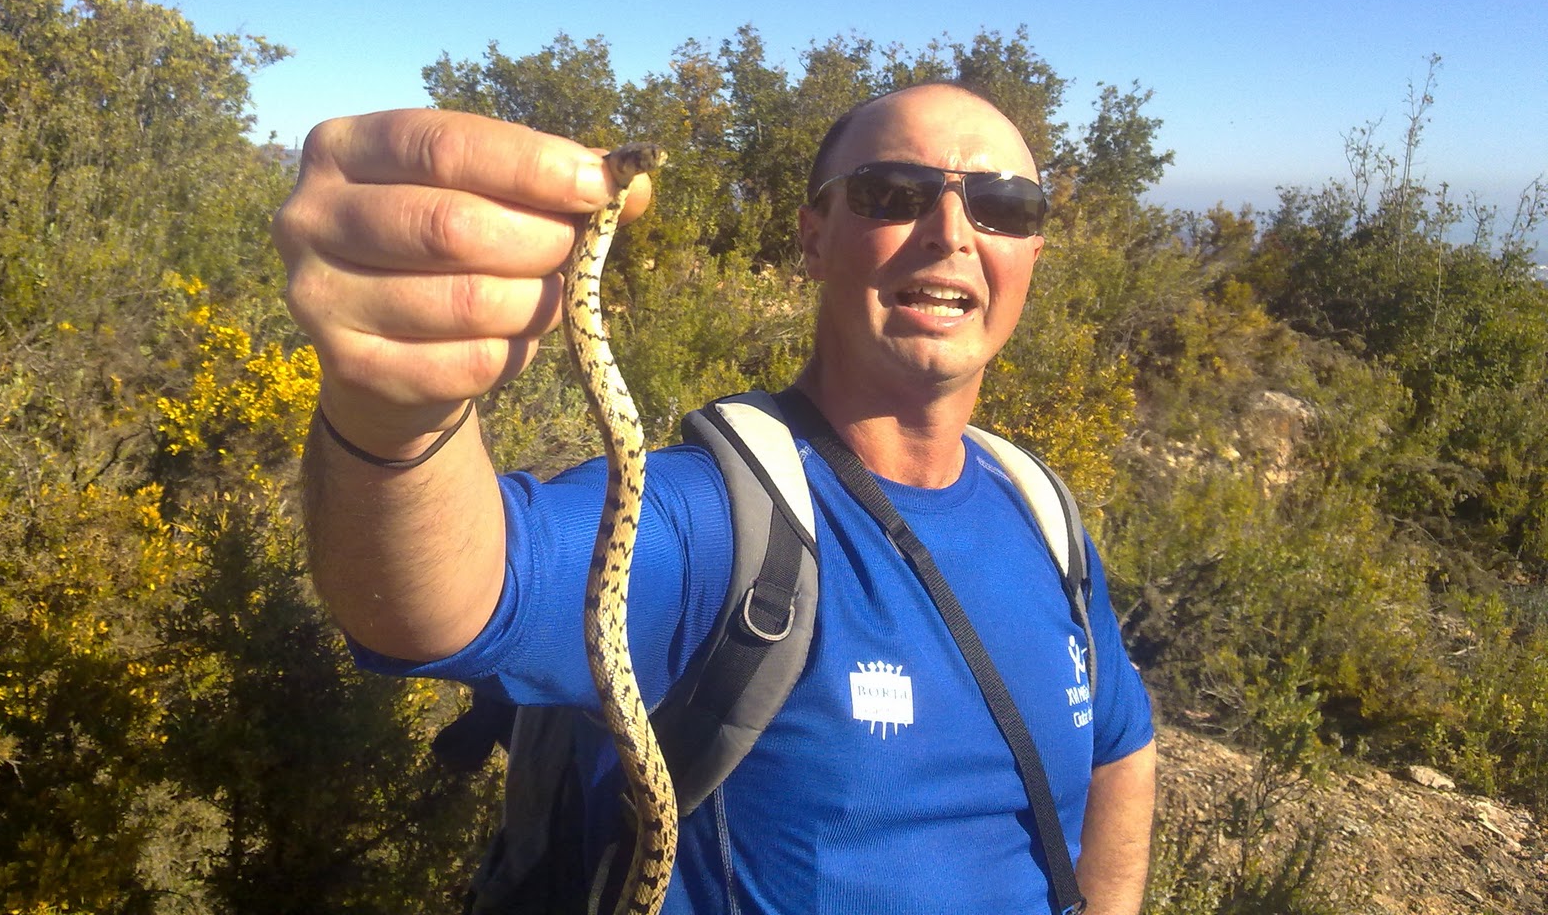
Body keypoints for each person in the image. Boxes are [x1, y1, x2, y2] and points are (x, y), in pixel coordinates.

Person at [272, 83, 1157, 914]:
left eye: (1004, 207)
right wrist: (393, 416)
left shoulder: (1040, 515)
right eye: (893, 193)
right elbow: (446, 602)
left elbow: (1119, 748)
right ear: (813, 236)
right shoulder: (717, 523)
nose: (952, 232)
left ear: (1033, 250)